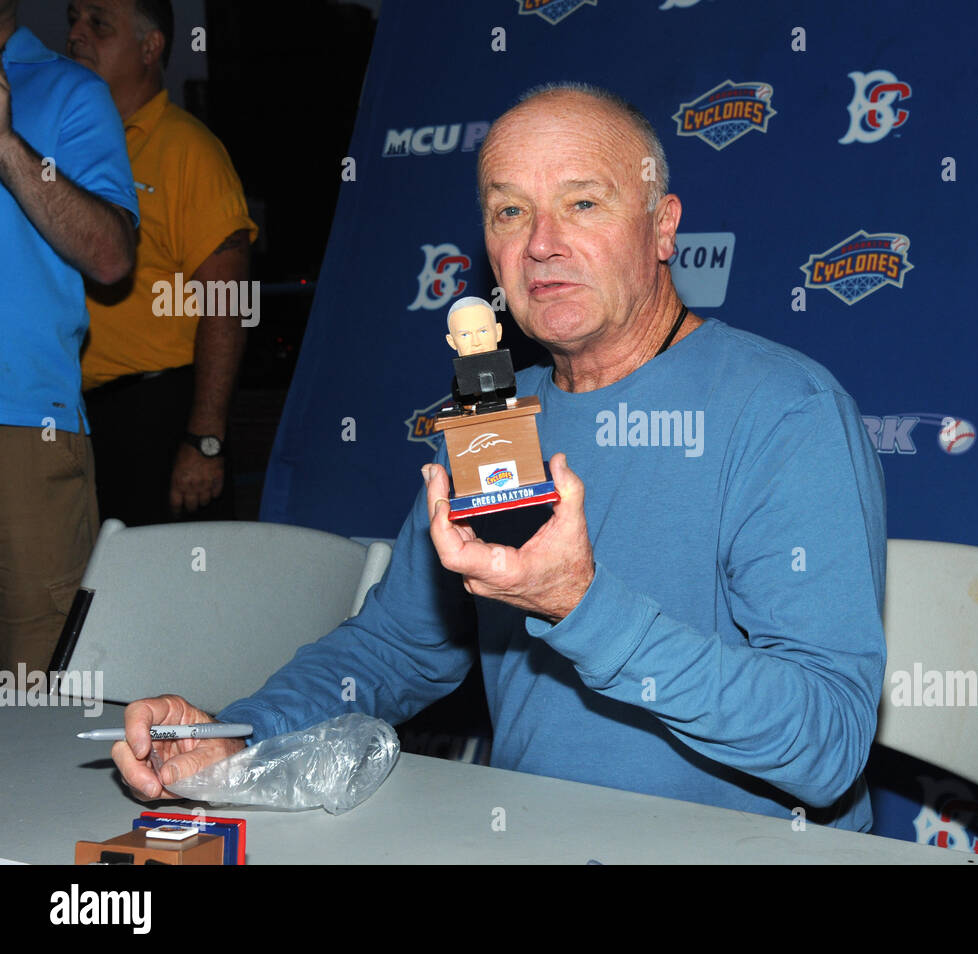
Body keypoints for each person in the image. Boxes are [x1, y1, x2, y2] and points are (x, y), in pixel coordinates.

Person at [113, 84, 889, 831]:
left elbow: (827, 748)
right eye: (509, 211)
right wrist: (238, 737)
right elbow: (397, 648)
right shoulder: (487, 421)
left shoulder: (786, 413)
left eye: (583, 202)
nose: (542, 243)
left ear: (662, 227)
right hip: (527, 839)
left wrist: (581, 606)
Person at [68, 0, 257, 525]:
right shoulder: (65, 151)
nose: (77, 35)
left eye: (98, 24)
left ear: (151, 48)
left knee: (173, 593)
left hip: (158, 415)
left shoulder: (189, 152)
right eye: (73, 21)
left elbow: (228, 306)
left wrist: (205, 440)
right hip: (71, 416)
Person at [0, 0, 138, 672]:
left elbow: (112, 257)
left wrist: (4, 143)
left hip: (21, 428)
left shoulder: (66, 90)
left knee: (33, 683)